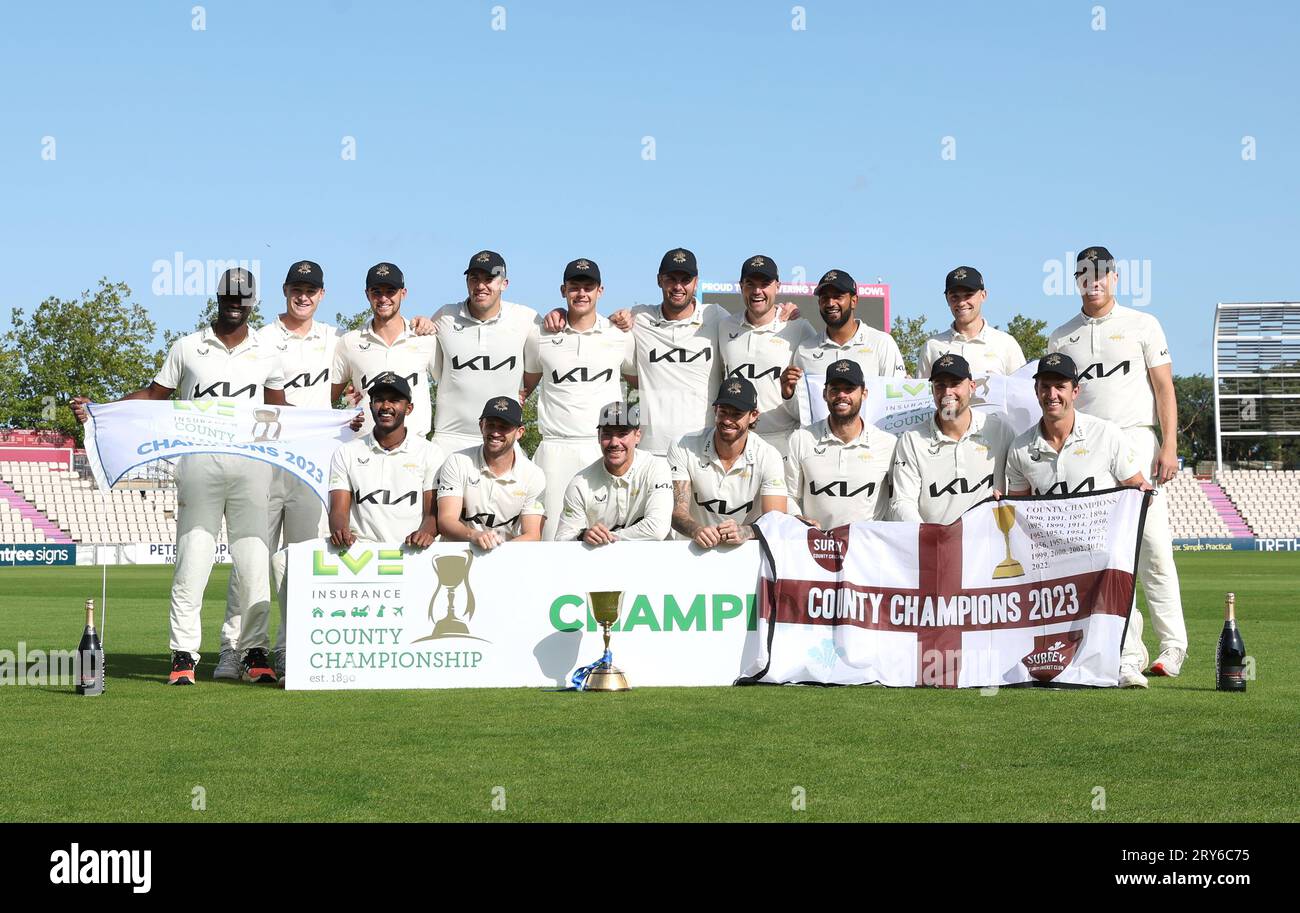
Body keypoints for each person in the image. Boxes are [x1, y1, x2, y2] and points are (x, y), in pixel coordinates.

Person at [72, 268, 287, 686]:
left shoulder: (269, 351)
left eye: (243, 298)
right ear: (218, 295)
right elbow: (154, 397)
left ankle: (254, 653)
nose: (235, 304)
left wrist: (339, 422)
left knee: (254, 565)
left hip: (253, 470)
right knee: (192, 563)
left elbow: (284, 413)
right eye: (229, 296)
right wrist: (103, 408)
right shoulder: (188, 347)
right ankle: (184, 655)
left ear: (253, 302)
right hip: (198, 469)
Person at [1047, 245, 1188, 681]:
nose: (1094, 280)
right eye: (1085, 273)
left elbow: (1163, 387)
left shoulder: (1143, 324)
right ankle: (1131, 648)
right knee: (1105, 554)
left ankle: (1174, 645)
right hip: (1087, 448)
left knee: (1153, 547)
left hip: (1135, 439)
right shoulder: (1061, 336)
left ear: (1115, 278)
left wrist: (1167, 446)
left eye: (1102, 273)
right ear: (1076, 280)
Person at [1002, 353, 1154, 688]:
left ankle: (1127, 661)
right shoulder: (1021, 447)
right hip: (1050, 553)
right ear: (1036, 390)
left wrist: (1142, 493)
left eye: (1060, 386)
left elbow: (1136, 484)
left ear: (1075, 391)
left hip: (1099, 547)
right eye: (1045, 386)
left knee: (1113, 567)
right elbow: (1019, 505)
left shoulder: (1106, 434)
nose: (1052, 394)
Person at [258, 259, 341, 680]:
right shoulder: (262, 339)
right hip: (268, 460)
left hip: (313, 463)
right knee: (254, 558)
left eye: (311, 289)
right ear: (285, 290)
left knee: (302, 559)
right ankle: (242, 650)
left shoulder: (334, 339)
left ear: (322, 294)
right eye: (296, 288)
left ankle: (292, 646)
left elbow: (348, 387)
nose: (303, 295)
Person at [521, 258, 635, 539]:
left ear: (601, 291)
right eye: (574, 287)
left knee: (602, 535)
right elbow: (524, 388)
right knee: (551, 537)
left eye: (588, 287)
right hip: (555, 450)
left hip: (603, 447)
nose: (581, 294)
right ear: (563, 290)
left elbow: (642, 383)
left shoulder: (619, 335)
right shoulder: (541, 335)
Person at [427, 250, 541, 454]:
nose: (480, 286)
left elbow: (538, 366)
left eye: (489, 279)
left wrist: (522, 391)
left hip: (502, 438)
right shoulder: (445, 316)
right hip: (449, 439)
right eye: (474, 279)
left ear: (504, 283)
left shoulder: (526, 318)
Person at [889, 353, 1015, 523]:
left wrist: (1010, 501)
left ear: (972, 386)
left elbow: (1019, 485)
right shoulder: (912, 440)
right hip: (937, 545)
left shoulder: (999, 430)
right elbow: (902, 502)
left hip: (989, 542)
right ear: (932, 389)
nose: (947, 392)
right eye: (940, 385)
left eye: (955, 384)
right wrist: (929, 537)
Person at [667, 377, 787, 548]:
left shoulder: (769, 455)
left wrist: (746, 531)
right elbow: (677, 512)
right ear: (715, 409)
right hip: (693, 549)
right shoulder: (683, 446)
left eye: (737, 414)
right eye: (723, 411)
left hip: (747, 552)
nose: (728, 421)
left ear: (753, 416)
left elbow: (777, 519)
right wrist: (697, 531)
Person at [328, 372, 443, 549]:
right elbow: (338, 511)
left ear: (409, 408)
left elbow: (432, 515)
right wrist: (341, 531)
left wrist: (425, 534)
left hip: (411, 551)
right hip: (360, 552)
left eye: (395, 400)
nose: (386, 406)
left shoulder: (430, 453)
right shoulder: (346, 452)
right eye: (379, 400)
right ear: (371, 405)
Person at [718, 255, 817, 458]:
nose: (757, 291)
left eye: (765, 284)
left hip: (784, 441)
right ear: (741, 286)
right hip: (736, 441)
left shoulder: (799, 328)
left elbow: (817, 389)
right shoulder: (724, 326)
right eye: (750, 284)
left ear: (777, 286)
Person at [331, 262, 439, 440]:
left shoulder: (425, 339)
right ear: (367, 294)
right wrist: (346, 402)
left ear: (403, 293)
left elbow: (447, 387)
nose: (383, 298)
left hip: (415, 449)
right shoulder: (350, 342)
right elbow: (330, 397)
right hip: (364, 446)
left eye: (390, 291)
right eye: (376, 292)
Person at [785, 359, 896, 528]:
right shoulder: (801, 439)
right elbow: (788, 495)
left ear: (864, 394)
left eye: (849, 389)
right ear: (824, 394)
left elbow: (897, 500)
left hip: (868, 547)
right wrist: (797, 520)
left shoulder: (887, 444)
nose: (842, 395)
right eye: (835, 389)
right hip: (816, 545)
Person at [784, 269, 905, 418]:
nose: (830, 303)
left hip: (870, 440)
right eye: (824, 298)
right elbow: (801, 414)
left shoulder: (881, 343)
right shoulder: (805, 350)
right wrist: (788, 394)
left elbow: (896, 401)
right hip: (820, 440)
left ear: (854, 301)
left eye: (838, 297)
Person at [554, 401, 673, 544]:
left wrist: (606, 538)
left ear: (637, 436)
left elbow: (657, 529)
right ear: (598, 436)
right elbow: (562, 539)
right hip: (601, 562)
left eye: (622, 434)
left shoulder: (656, 467)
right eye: (607, 434)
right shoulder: (580, 483)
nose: (614, 442)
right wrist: (582, 535)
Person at [436, 397, 546, 549]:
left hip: (506, 558)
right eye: (491, 425)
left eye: (504, 427)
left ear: (519, 432)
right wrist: (474, 536)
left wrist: (498, 555)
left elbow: (533, 535)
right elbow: (446, 521)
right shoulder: (457, 461)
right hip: (458, 553)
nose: (495, 432)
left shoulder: (534, 475)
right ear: (482, 426)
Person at [918, 266, 1027, 377]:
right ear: (947, 299)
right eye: (954, 297)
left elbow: (1022, 390)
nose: (961, 303)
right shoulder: (932, 346)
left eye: (968, 295)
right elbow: (923, 393)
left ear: (983, 295)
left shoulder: (1006, 343)